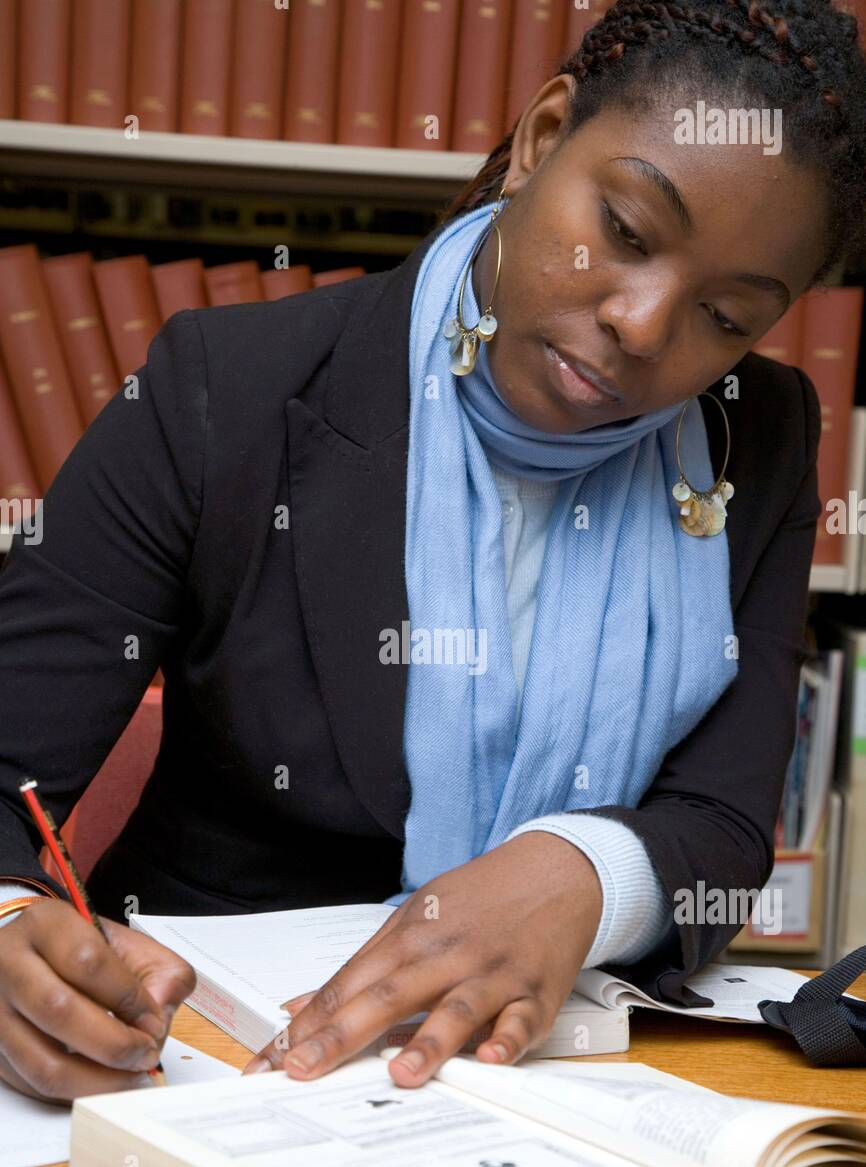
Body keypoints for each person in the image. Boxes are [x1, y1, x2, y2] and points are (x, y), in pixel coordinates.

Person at [0, 0, 864, 1103]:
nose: (644, 325)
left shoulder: (760, 433)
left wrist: (580, 877)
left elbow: (727, 820)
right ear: (544, 136)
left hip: (541, 1083)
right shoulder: (227, 388)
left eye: (728, 316)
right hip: (204, 1072)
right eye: (629, 233)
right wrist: (11, 925)